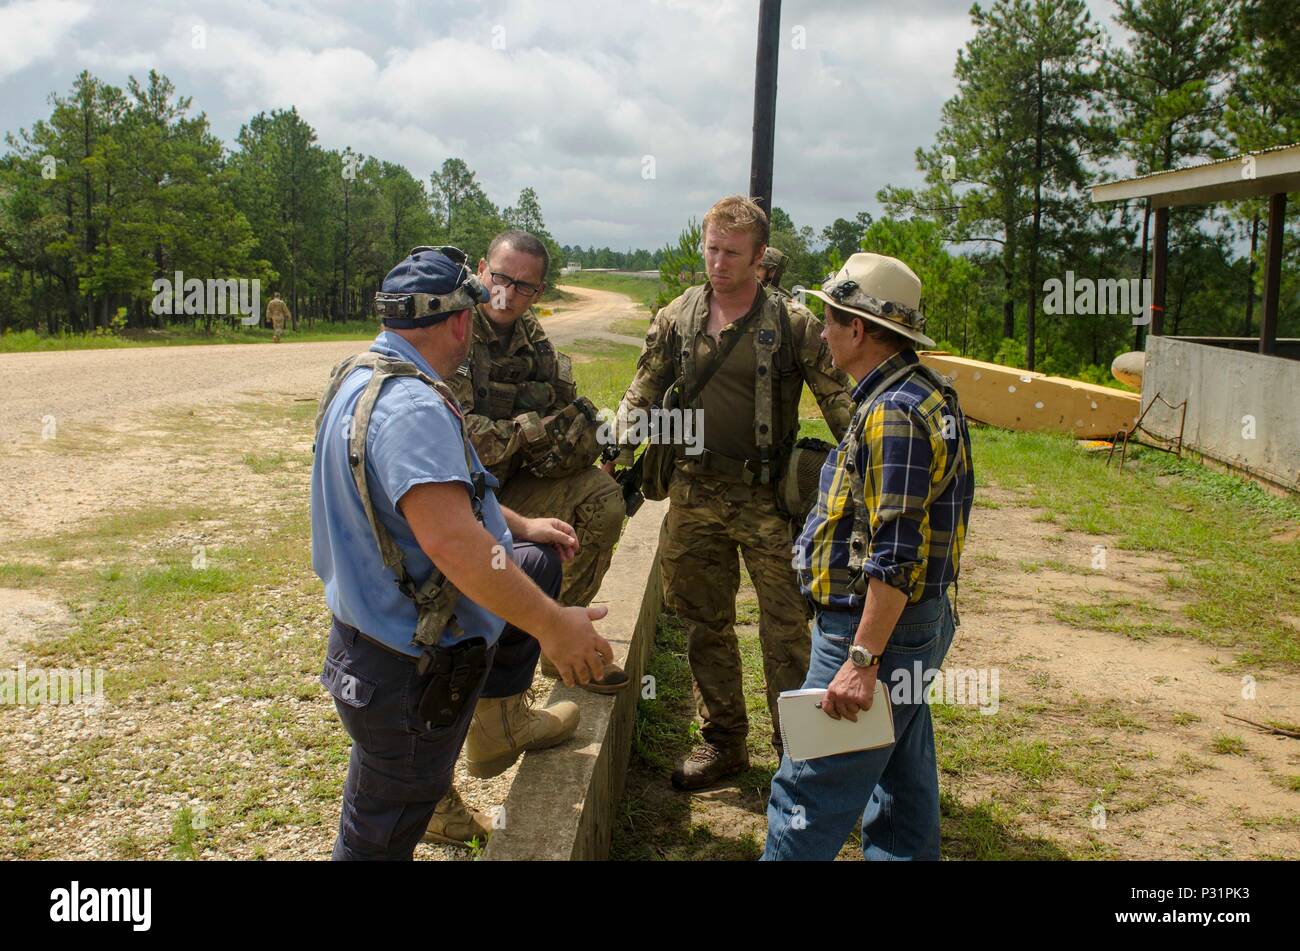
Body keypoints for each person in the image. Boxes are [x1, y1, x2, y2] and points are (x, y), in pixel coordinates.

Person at [311, 246, 613, 860]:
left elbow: (443, 501)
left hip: (368, 649)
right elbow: (454, 543)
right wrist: (554, 624)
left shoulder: (361, 375)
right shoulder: (415, 408)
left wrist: (521, 524)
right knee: (381, 833)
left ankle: (499, 724)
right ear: (457, 321)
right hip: (410, 670)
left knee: (376, 809)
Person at [606, 195, 854, 790]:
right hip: (693, 494)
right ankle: (723, 742)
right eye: (712, 248)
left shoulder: (792, 324)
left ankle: (799, 751)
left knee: (786, 629)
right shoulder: (678, 318)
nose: (719, 262)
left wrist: (869, 470)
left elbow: (840, 401)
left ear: (760, 256)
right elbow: (643, 390)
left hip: (769, 499)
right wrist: (614, 446)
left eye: (733, 253)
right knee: (702, 620)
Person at [762, 252, 975, 861]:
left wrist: (861, 660)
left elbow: (896, 550)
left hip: (871, 630)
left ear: (858, 329)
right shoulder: (926, 393)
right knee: (902, 788)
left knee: (808, 792)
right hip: (913, 626)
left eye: (830, 319)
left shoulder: (892, 414)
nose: (822, 332)